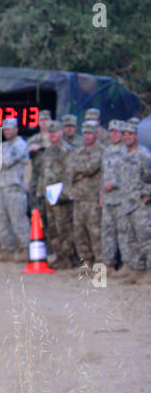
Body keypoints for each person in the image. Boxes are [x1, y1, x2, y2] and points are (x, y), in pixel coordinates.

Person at [0, 116, 30, 262]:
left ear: (16, 129)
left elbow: (7, 162)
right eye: (4, 129)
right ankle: (7, 251)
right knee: (2, 221)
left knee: (19, 220)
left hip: (14, 188)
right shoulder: (3, 146)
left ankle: (27, 249)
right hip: (1, 188)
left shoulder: (21, 145)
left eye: (9, 128)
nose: (6, 131)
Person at [113, 118, 151, 284]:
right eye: (125, 134)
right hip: (126, 204)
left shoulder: (144, 155)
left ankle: (149, 271)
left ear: (136, 136)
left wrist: (146, 195)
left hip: (140, 205)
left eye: (130, 134)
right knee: (131, 240)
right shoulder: (121, 155)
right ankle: (137, 270)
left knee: (146, 239)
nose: (127, 137)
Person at [33, 120, 74, 268]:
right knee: (52, 228)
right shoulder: (48, 151)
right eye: (50, 132)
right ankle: (58, 256)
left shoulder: (67, 151)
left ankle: (67, 258)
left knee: (64, 228)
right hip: (48, 196)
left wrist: (64, 194)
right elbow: (43, 174)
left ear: (61, 132)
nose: (53, 135)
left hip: (61, 197)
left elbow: (69, 176)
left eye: (55, 132)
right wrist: (40, 192)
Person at [66, 120, 104, 269]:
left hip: (93, 198)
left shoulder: (101, 150)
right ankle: (86, 263)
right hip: (78, 198)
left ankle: (99, 263)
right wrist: (80, 171)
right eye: (85, 133)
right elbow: (70, 169)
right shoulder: (77, 150)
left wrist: (79, 171)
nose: (88, 136)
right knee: (79, 232)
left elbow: (91, 167)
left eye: (91, 133)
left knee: (95, 232)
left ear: (96, 134)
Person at [101, 120, 126, 274]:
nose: (114, 134)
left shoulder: (126, 151)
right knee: (107, 232)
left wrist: (114, 184)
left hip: (122, 198)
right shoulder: (107, 150)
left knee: (124, 233)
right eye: (111, 131)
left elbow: (128, 175)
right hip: (108, 199)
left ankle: (125, 265)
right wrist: (101, 194)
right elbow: (103, 175)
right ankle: (108, 265)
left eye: (117, 131)